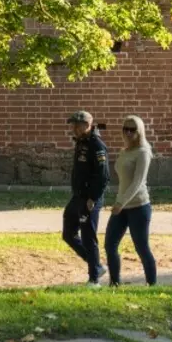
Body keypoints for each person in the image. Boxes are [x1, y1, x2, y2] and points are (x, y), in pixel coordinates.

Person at [105, 114, 157, 287]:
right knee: (110, 245)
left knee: (141, 248)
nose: (128, 133)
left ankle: (152, 285)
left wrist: (121, 203)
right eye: (125, 129)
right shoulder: (124, 151)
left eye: (132, 130)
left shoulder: (143, 152)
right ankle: (114, 283)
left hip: (139, 206)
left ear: (140, 131)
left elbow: (138, 181)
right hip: (121, 206)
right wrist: (119, 201)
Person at [63, 110, 109, 286]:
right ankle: (96, 265)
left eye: (76, 125)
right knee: (68, 234)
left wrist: (93, 198)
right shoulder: (81, 142)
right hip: (78, 196)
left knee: (89, 237)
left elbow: (103, 176)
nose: (73, 128)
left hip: (90, 199)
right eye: (72, 124)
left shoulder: (97, 146)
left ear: (87, 125)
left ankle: (94, 279)